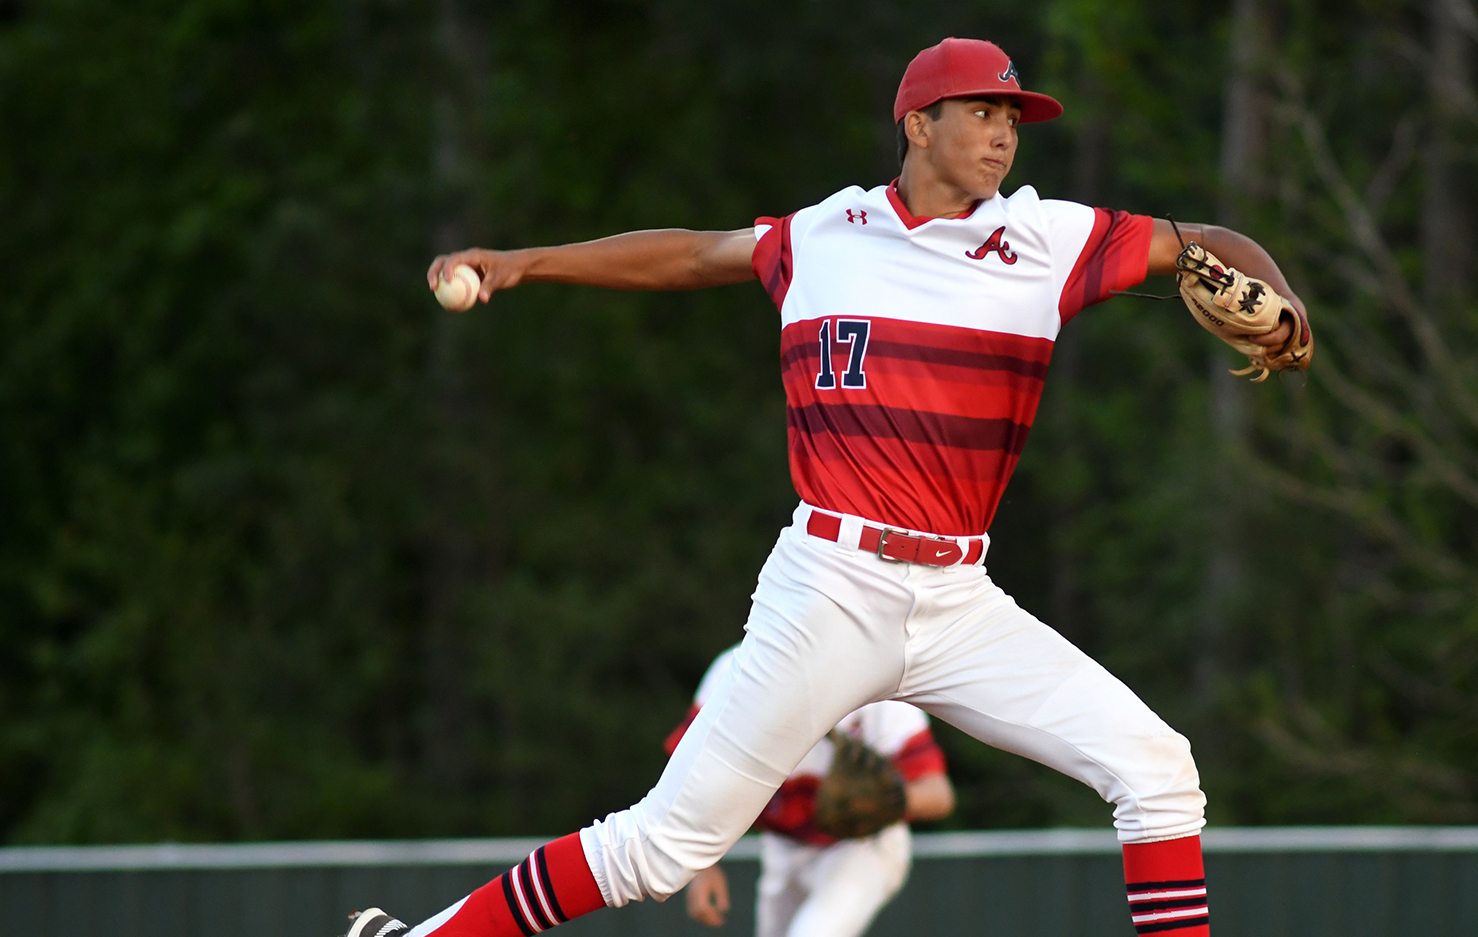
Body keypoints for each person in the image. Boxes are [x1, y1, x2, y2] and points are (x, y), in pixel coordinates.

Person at [347, 35, 1308, 937]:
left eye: (1016, 118)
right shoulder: (822, 235)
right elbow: (690, 254)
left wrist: (1286, 300)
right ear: (918, 123)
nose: (1006, 132)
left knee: (1157, 770)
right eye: (982, 111)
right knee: (663, 848)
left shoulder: (1049, 239)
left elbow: (1204, 240)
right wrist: (527, 263)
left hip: (959, 599)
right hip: (831, 587)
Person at [671, 644, 953, 937]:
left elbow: (939, 794)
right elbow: (692, 776)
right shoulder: (737, 670)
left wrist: (893, 799)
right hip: (783, 847)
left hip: (862, 845)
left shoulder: (876, 676)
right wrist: (701, 865)